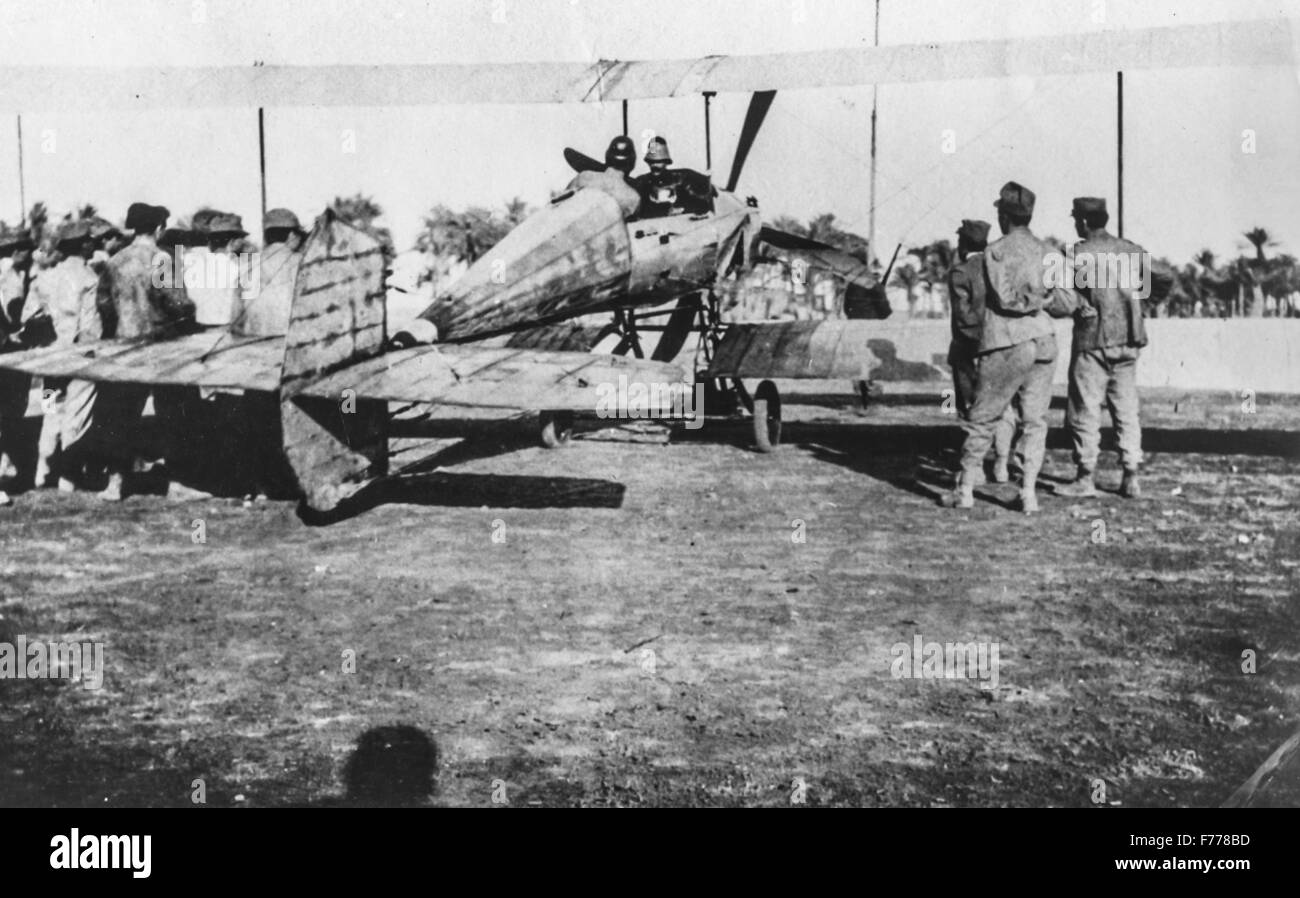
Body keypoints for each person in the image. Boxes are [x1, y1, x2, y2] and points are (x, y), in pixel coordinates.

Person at [940, 181, 1077, 513]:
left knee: (982, 417)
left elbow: (1003, 298)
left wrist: (1027, 300)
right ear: (1029, 214)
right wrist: (1042, 299)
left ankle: (966, 489)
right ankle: (1028, 493)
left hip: (1006, 340)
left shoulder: (995, 252)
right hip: (1044, 339)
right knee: (1035, 420)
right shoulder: (1050, 252)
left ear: (1003, 215)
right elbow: (1068, 302)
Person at [96, 202, 197, 501]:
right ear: (158, 229)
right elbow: (178, 303)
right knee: (173, 414)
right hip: (160, 347)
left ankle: (115, 483)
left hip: (124, 346)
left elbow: (103, 305)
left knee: (120, 415)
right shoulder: (161, 259)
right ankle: (177, 482)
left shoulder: (115, 261)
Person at [1056, 197, 1150, 499]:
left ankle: (1085, 476)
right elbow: (1162, 276)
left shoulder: (1076, 253)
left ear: (1083, 222)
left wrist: (1079, 305)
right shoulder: (1131, 250)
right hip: (1128, 339)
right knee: (1126, 410)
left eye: (1076, 219)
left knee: (1086, 409)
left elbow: (1060, 293)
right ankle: (1131, 475)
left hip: (1092, 340)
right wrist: (1139, 305)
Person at [21, 221, 104, 491]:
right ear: (83, 244)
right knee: (76, 414)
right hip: (79, 356)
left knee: (50, 412)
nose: (94, 244)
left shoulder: (45, 277)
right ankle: (68, 477)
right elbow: (90, 325)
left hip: (50, 359)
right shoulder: (89, 277)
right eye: (91, 240)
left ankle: (42, 472)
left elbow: (27, 318)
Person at [946, 218, 1016, 483]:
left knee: (970, 409)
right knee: (1004, 407)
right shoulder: (999, 268)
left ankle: (973, 470)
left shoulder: (960, 273)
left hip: (968, 350)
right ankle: (1001, 464)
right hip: (1002, 346)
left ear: (963, 243)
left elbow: (963, 318)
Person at [0, 227, 38, 504]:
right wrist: (9, 335)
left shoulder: (16, 274)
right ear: (17, 251)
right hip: (7, 351)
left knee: (12, 411)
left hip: (11, 351)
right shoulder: (8, 274)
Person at [634, 136, 714, 218]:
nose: (654, 165)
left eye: (659, 161)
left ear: (666, 162)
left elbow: (701, 205)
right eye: (651, 162)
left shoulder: (682, 180)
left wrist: (682, 210)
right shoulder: (642, 184)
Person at [565, 137, 641, 219]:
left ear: (607, 156)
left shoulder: (584, 177)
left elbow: (559, 206)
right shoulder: (634, 198)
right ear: (632, 163)